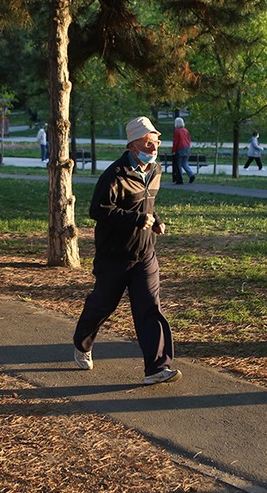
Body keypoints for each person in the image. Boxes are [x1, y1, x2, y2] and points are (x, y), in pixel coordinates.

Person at [71, 116, 180, 386]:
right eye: (147, 143)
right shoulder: (114, 174)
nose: (153, 148)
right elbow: (98, 210)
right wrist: (133, 219)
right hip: (114, 256)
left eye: (155, 143)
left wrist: (156, 220)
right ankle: (82, 343)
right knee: (102, 305)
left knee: (150, 309)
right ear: (132, 145)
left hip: (145, 254)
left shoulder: (155, 170)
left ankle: (157, 368)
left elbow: (147, 204)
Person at [172, 117, 196, 184]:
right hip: (187, 148)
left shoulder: (177, 131)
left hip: (180, 148)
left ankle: (180, 179)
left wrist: (173, 150)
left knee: (179, 164)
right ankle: (191, 175)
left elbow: (176, 142)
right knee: (184, 163)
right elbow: (189, 140)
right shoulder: (186, 130)